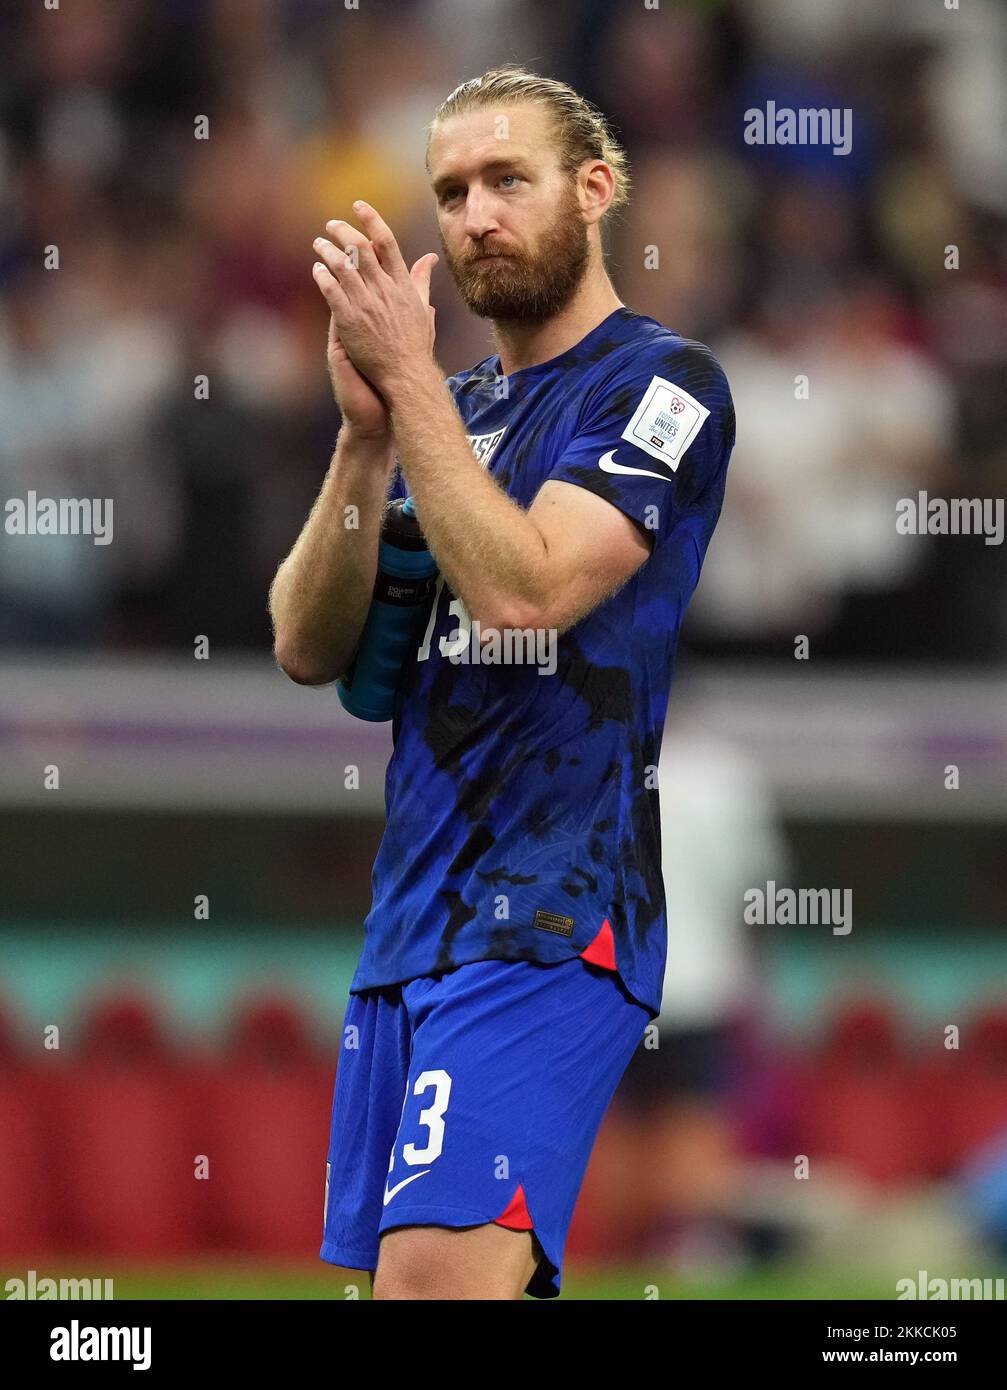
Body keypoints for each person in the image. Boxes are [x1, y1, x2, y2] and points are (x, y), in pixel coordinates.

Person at [269, 65, 736, 1300]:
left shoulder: (664, 384)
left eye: (506, 180)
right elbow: (308, 645)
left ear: (592, 189)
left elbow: (527, 591)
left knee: (435, 1289)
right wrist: (365, 437)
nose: (474, 214)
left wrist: (408, 385)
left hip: (551, 914)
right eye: (452, 192)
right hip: (410, 921)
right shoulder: (442, 412)